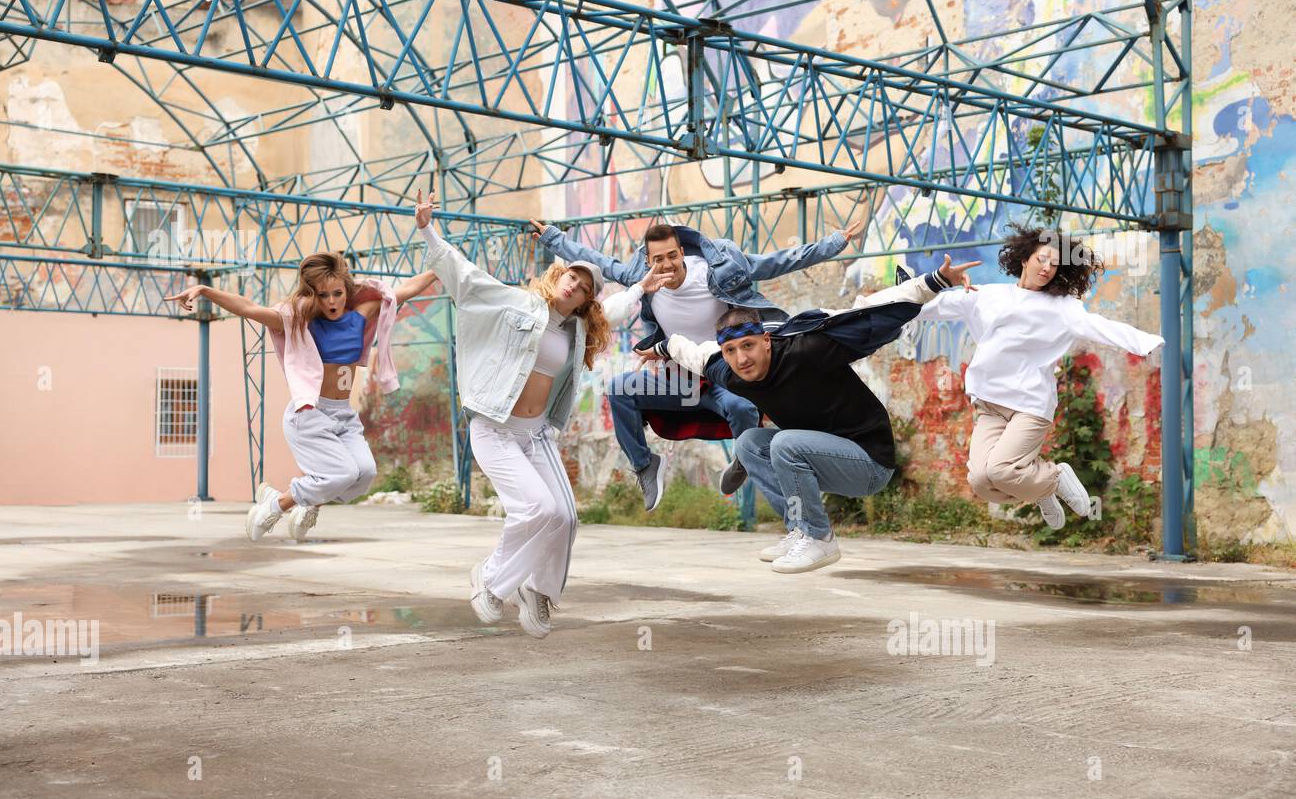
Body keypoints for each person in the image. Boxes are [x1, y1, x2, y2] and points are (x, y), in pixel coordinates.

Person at [640, 257, 978, 572]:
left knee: (785, 443)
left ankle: (820, 539)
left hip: (869, 462)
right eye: (731, 351)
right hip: (821, 456)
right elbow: (689, 351)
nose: (742, 359)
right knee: (749, 443)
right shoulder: (727, 371)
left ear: (766, 341)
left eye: (748, 346)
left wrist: (933, 281)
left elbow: (863, 312)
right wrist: (659, 348)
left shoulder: (809, 350)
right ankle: (799, 530)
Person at [529, 216, 862, 509]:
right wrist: (553, 238)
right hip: (679, 379)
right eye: (658, 259)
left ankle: (744, 460)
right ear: (648, 259)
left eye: (673, 256)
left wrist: (834, 243)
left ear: (681, 252)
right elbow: (596, 259)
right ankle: (645, 466)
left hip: (720, 374)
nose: (668, 266)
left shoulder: (719, 269)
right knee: (619, 389)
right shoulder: (641, 278)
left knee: (744, 410)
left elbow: (777, 262)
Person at [418, 190, 612, 639]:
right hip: (496, 428)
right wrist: (428, 229)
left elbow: (618, 308)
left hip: (536, 432)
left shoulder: (577, 331)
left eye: (583, 288)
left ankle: (537, 590)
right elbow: (464, 279)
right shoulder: (517, 303)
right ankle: (490, 578)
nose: (573, 286)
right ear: (558, 274)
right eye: (571, 277)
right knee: (536, 509)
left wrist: (644, 287)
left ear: (586, 301)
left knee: (564, 516)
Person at [165, 247, 440, 542]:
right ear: (313, 295)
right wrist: (205, 289)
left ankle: (307, 502)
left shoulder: (360, 315)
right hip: (310, 414)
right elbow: (248, 308)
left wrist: (442, 265)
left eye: (337, 293)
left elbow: (405, 290)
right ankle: (275, 505)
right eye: (323, 295)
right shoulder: (298, 322)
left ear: (346, 290)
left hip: (343, 414)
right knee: (342, 473)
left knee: (364, 474)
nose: (332, 301)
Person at [909, 225, 1164, 529]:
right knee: (980, 481)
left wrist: (1148, 343)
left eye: (1054, 265)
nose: (1047, 268)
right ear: (1025, 259)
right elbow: (931, 308)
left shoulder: (1062, 308)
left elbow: (1101, 327)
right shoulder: (987, 296)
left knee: (1002, 470)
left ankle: (1053, 478)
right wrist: (890, 302)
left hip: (1029, 405)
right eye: (1042, 259)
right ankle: (1043, 488)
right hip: (990, 404)